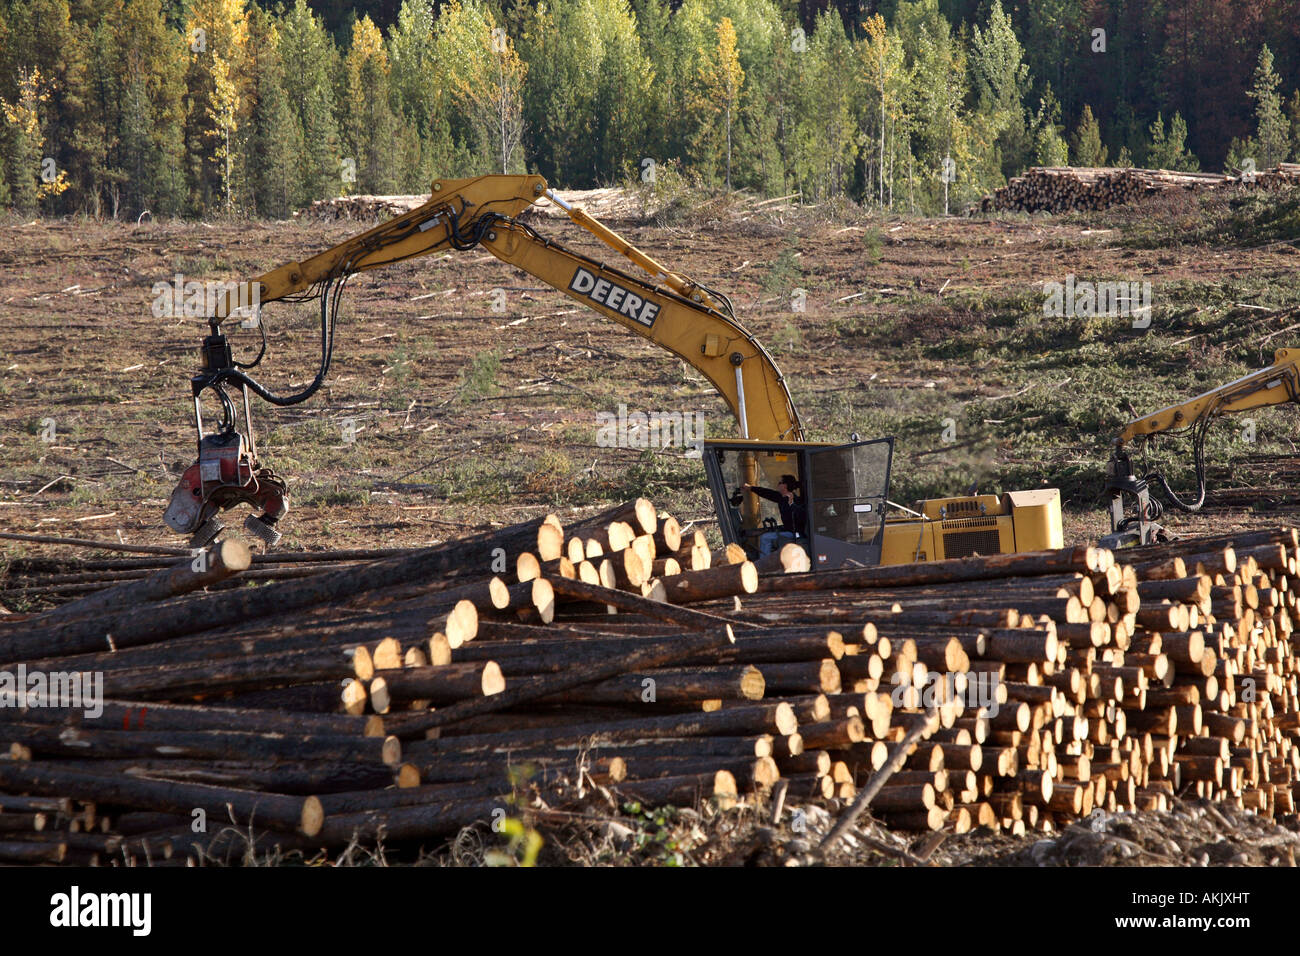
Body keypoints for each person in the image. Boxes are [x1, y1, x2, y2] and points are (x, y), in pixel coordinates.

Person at [740, 474, 807, 557]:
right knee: (768, 534)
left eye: (779, 483)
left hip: (795, 534)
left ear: (785, 486)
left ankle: (764, 564)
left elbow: (801, 517)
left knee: (765, 538)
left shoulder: (793, 500)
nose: (777, 485)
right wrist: (750, 488)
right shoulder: (782, 497)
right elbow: (767, 493)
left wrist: (792, 505)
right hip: (789, 531)